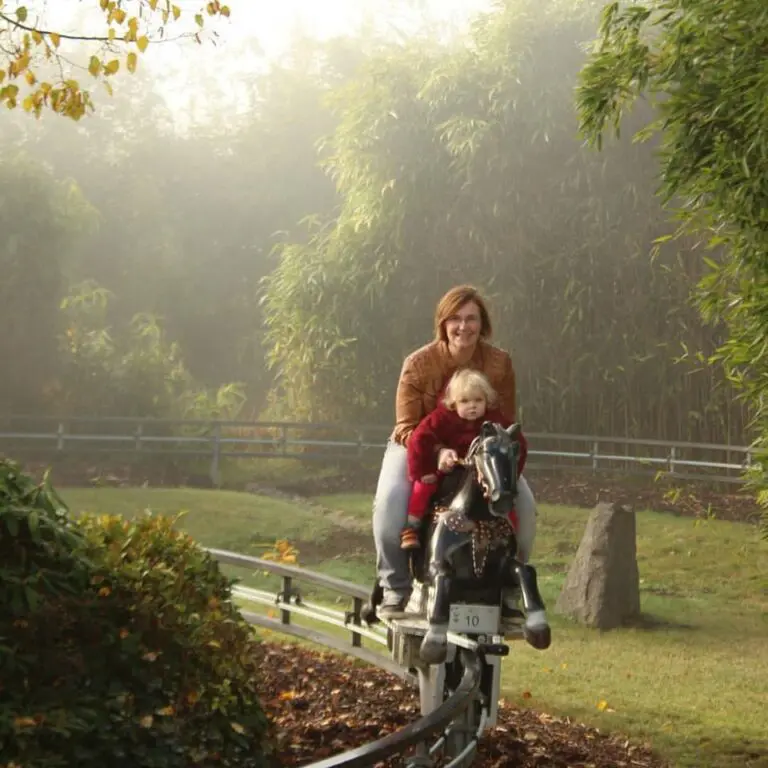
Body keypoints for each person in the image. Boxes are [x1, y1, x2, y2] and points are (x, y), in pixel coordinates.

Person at [372, 284, 538, 618]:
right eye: (455, 319)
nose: (464, 326)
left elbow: (505, 423)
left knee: (526, 506)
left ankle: (507, 589)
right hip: (418, 444)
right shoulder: (418, 364)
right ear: (443, 323)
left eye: (471, 318)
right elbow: (406, 426)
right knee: (390, 507)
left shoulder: (500, 363)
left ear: (483, 322)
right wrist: (438, 454)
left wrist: (492, 460)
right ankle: (395, 586)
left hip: (480, 450)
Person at [400, 368, 528, 549]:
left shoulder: (495, 421)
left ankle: (511, 535)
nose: (472, 406)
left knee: (506, 500)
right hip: (450, 470)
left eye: (478, 400)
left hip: (486, 475)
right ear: (453, 403)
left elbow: (519, 444)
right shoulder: (441, 418)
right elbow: (418, 439)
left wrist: (509, 475)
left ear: (486, 401)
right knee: (423, 487)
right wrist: (423, 471)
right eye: (465, 401)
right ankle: (412, 526)